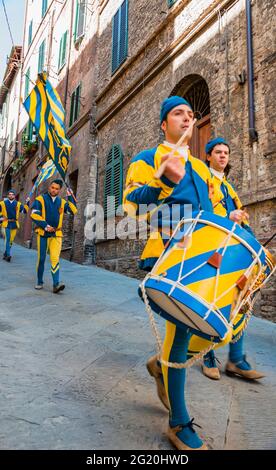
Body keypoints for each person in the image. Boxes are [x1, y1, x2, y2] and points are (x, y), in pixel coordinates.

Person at [123, 96, 219, 450]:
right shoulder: (147, 159)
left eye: (191, 115)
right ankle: (178, 423)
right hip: (168, 254)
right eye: (178, 113)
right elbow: (132, 207)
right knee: (182, 333)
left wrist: (231, 224)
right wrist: (163, 179)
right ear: (164, 123)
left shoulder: (202, 168)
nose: (187, 118)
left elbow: (211, 212)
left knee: (216, 329)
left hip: (205, 255)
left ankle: (162, 366)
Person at [201, 137, 264, 380]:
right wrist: (229, 215)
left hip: (235, 249)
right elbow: (203, 212)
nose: (223, 156)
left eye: (226, 152)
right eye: (218, 152)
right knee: (212, 301)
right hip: (212, 247)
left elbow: (241, 218)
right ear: (209, 155)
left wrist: (253, 241)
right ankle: (206, 354)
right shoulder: (203, 180)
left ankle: (236, 359)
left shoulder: (228, 187)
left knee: (241, 301)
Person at [30, 179, 77, 293]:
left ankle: (56, 284)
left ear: (59, 190)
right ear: (49, 187)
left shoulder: (62, 202)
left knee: (55, 259)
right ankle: (39, 281)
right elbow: (34, 214)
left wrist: (70, 197)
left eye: (57, 189)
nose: (54, 190)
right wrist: (45, 226)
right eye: (52, 187)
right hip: (43, 233)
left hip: (57, 234)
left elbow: (73, 210)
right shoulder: (40, 199)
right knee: (41, 259)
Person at [0, 189, 30, 262]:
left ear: (14, 196)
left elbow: (24, 211)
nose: (11, 195)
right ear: (8, 195)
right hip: (6, 223)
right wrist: (1, 218)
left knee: (11, 240)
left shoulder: (18, 204)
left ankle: (6, 253)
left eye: (12, 194)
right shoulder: (2, 203)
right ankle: (8, 255)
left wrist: (27, 203)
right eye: (9, 194)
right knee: (8, 239)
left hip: (14, 224)